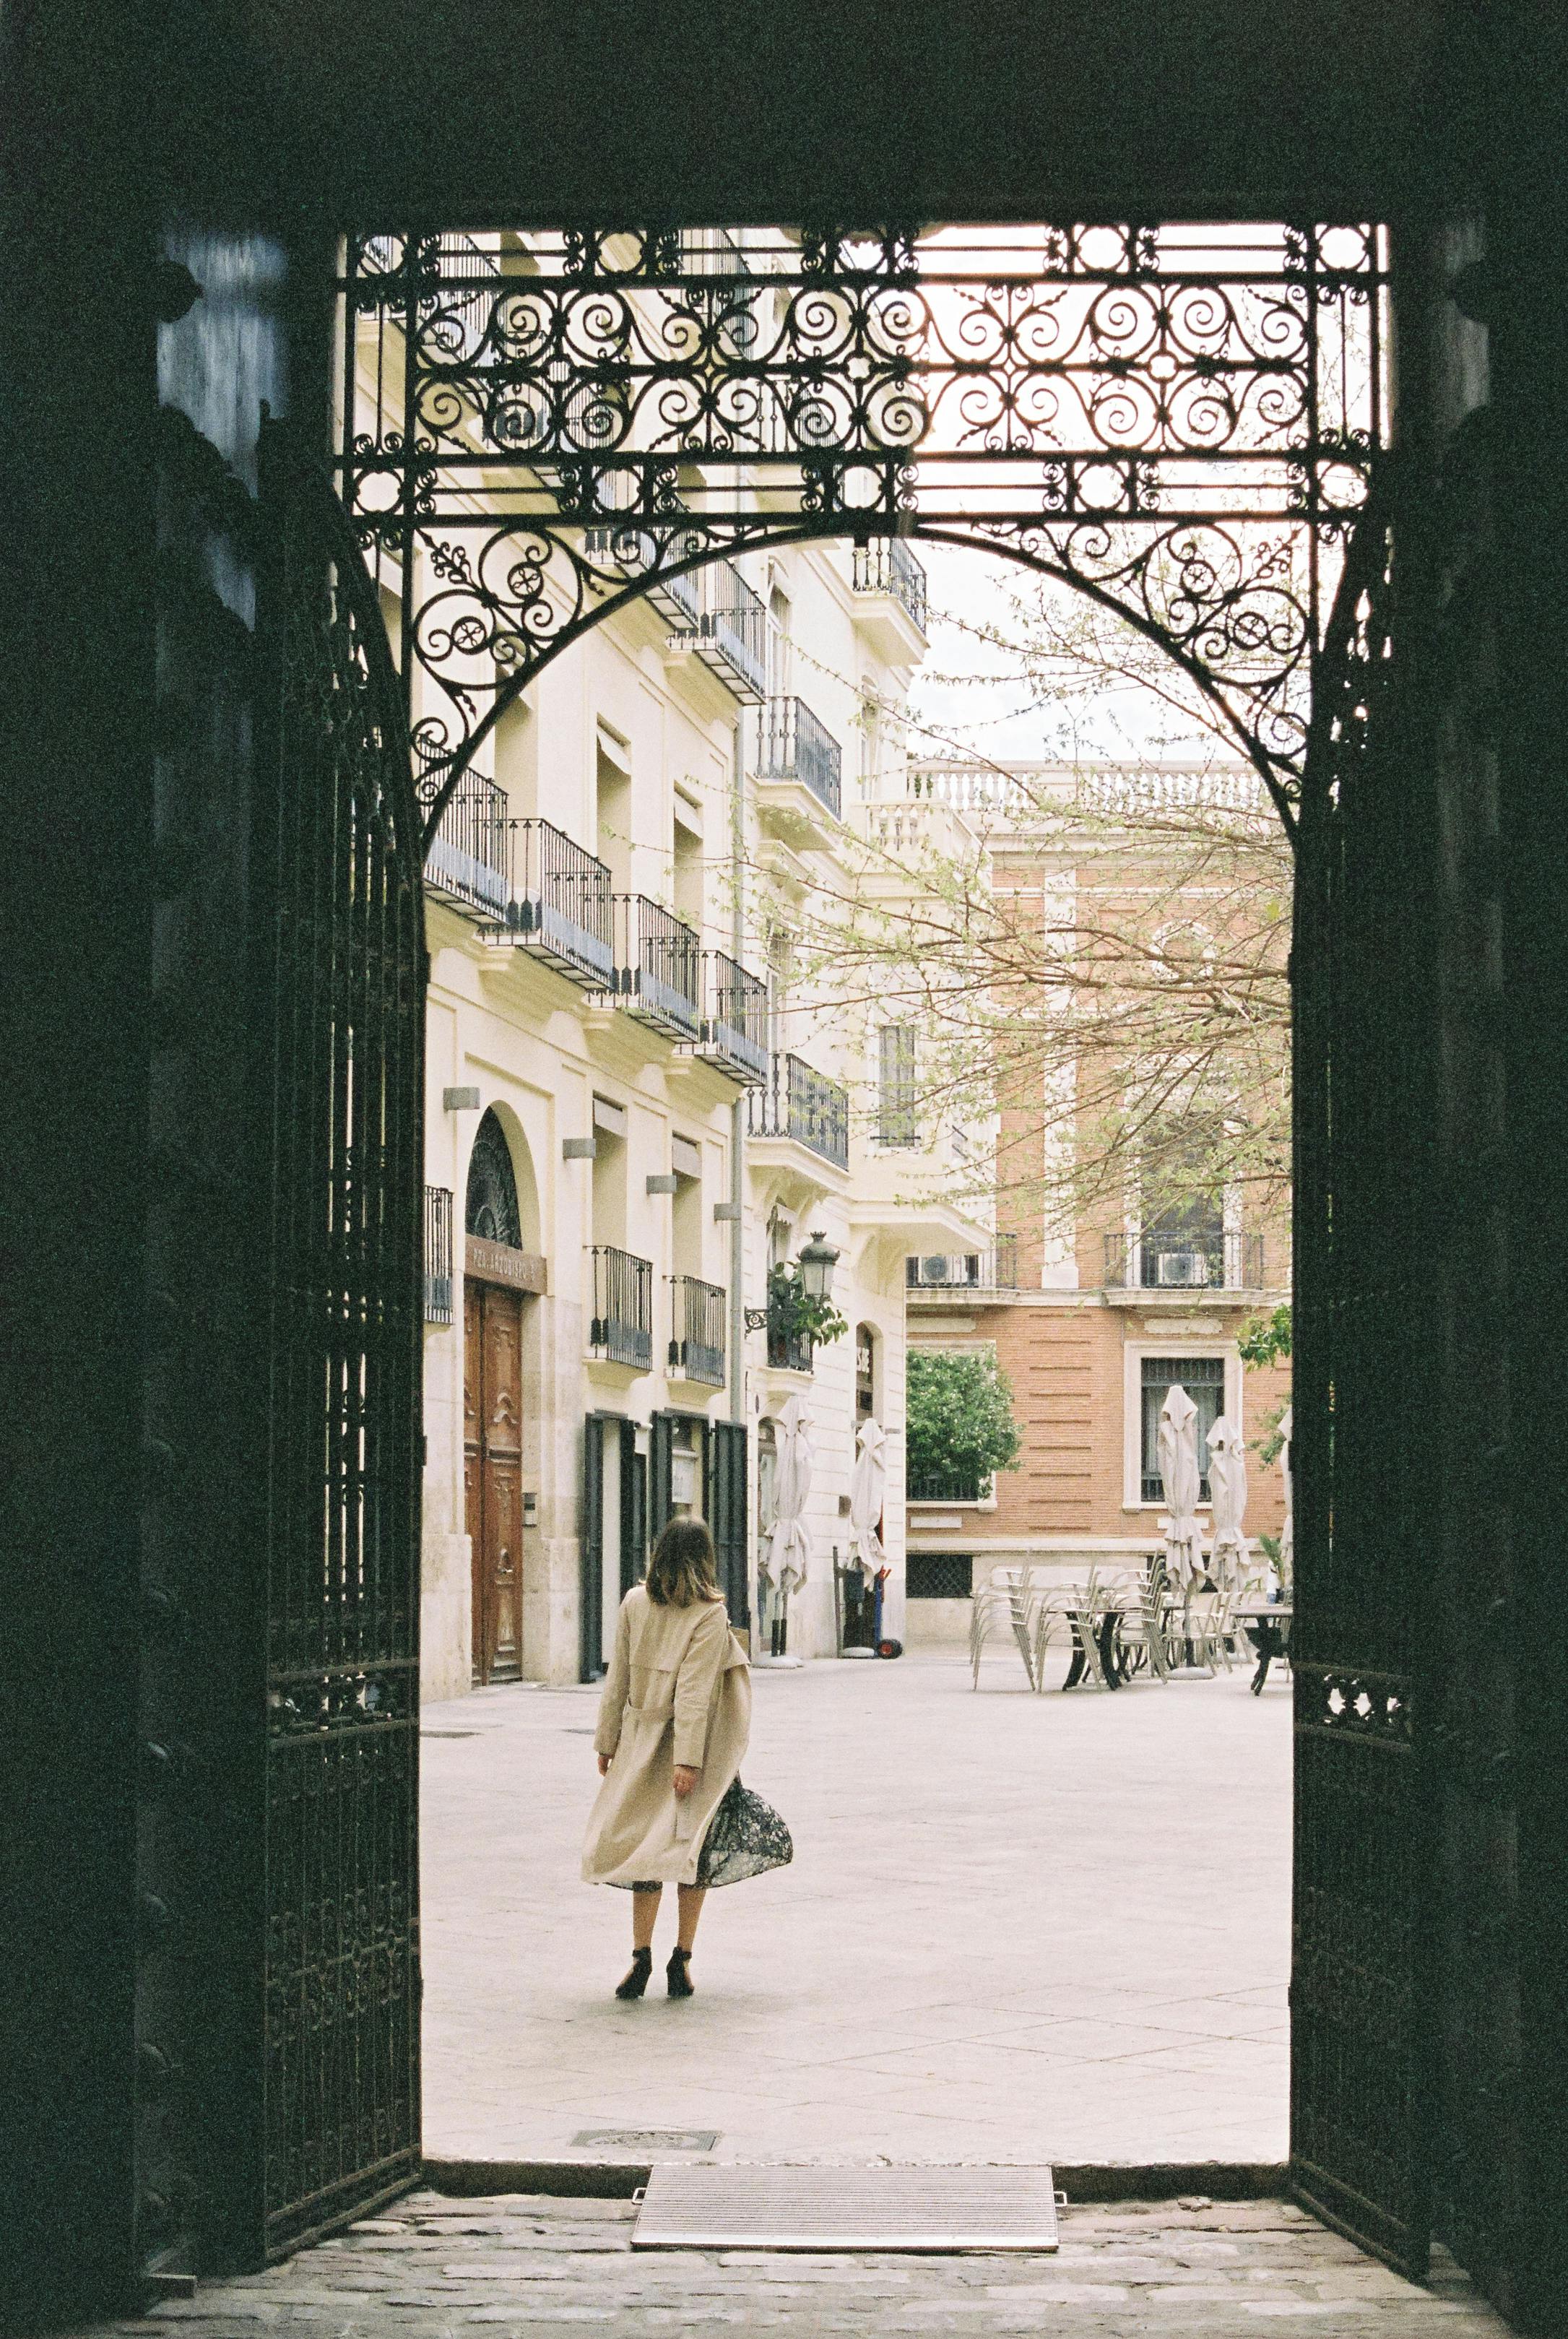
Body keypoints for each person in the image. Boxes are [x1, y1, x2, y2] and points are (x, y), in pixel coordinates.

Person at [582, 1516, 791, 1999]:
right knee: (691, 1850)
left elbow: (616, 1679)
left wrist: (607, 1740)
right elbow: (696, 1693)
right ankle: (682, 1958)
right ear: (704, 1560)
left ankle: (640, 1958)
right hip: (691, 1750)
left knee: (644, 1851)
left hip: (639, 1743)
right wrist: (690, 1761)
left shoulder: (634, 1602)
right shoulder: (708, 1613)